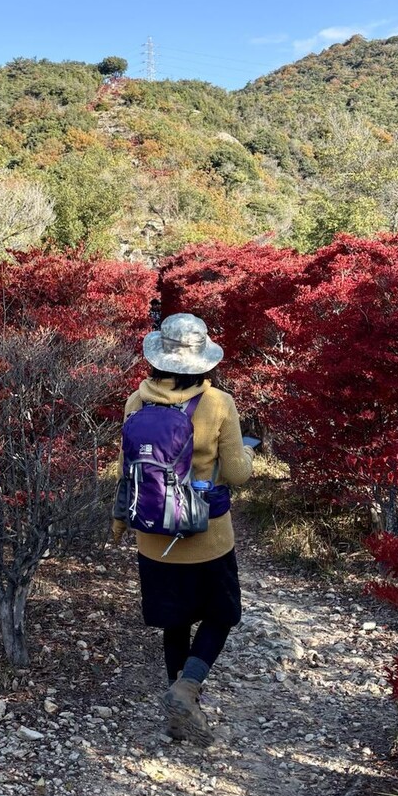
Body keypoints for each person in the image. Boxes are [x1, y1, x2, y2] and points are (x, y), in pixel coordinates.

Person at [111, 312, 256, 743]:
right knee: (221, 615)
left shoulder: (136, 402)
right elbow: (237, 473)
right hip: (208, 537)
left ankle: (179, 708)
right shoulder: (218, 403)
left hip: (154, 539)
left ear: (158, 357)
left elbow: (126, 472)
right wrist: (248, 455)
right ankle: (187, 688)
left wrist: (119, 523)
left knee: (175, 623)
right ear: (203, 360)